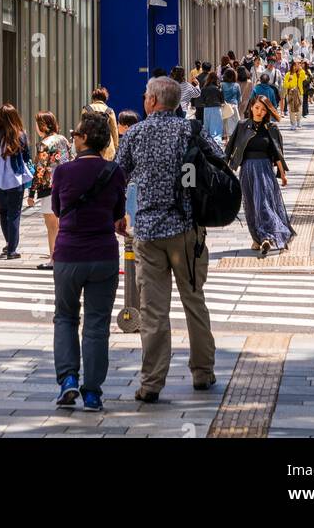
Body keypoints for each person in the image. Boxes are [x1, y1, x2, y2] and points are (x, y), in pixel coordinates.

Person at [117, 75, 222, 399]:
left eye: (146, 95)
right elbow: (218, 159)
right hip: (187, 230)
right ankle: (202, 372)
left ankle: (151, 383)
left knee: (153, 311)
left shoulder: (135, 133)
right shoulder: (189, 130)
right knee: (194, 302)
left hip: (148, 233)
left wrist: (120, 214)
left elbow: (119, 174)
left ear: (152, 101)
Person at [51, 111, 127, 411]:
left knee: (65, 317)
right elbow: (118, 212)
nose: (73, 137)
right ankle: (93, 392)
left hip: (68, 254)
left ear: (83, 139)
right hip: (103, 254)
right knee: (97, 324)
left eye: (75, 133)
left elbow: (57, 208)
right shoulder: (114, 171)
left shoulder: (64, 172)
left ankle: (68, 379)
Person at [226, 96, 294, 256]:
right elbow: (230, 149)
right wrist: (226, 170)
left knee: (263, 204)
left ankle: (268, 236)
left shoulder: (271, 128)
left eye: (263, 110)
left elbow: (277, 154)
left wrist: (283, 175)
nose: (259, 112)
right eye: (257, 108)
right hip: (247, 170)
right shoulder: (242, 125)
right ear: (251, 107)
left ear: (267, 112)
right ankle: (258, 238)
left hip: (264, 170)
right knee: (250, 206)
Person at [28, 111, 73, 269]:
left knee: (52, 225)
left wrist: (32, 193)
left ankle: (54, 258)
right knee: (62, 224)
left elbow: (39, 170)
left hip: (50, 187)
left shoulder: (44, 144)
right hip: (66, 185)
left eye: (37, 124)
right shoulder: (63, 140)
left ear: (43, 126)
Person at [0, 104, 32, 259]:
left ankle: (9, 244)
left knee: (3, 212)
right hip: (16, 179)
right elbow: (27, 158)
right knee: (14, 214)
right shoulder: (21, 135)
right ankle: (12, 250)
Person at [117, 110, 140, 231]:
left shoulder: (127, 141)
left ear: (126, 127)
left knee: (131, 224)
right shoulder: (142, 139)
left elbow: (120, 165)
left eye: (118, 124)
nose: (117, 126)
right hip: (141, 183)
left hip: (132, 184)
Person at [83, 87, 120, 159]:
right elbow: (114, 130)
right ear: (105, 99)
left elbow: (83, 129)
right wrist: (115, 146)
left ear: (93, 98)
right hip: (107, 148)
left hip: (91, 147)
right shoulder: (109, 111)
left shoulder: (86, 109)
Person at [197, 70, 224, 141]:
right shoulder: (218, 88)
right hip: (217, 108)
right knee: (217, 128)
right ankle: (217, 144)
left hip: (207, 109)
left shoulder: (204, 88)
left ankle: (208, 142)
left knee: (207, 127)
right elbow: (222, 100)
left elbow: (201, 100)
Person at [282, 61, 307, 131]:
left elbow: (304, 78)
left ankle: (298, 121)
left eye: (297, 65)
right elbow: (285, 85)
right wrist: (289, 80)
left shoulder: (300, 73)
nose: (296, 67)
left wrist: (300, 69)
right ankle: (293, 123)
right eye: (295, 65)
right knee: (291, 109)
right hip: (290, 93)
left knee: (299, 108)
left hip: (299, 92)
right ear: (292, 66)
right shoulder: (288, 74)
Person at [221, 67, 242, 140]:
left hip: (224, 106)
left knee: (224, 124)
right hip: (233, 106)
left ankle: (225, 140)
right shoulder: (236, 85)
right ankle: (231, 141)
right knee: (234, 126)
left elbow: (220, 95)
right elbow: (239, 98)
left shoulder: (222, 84)